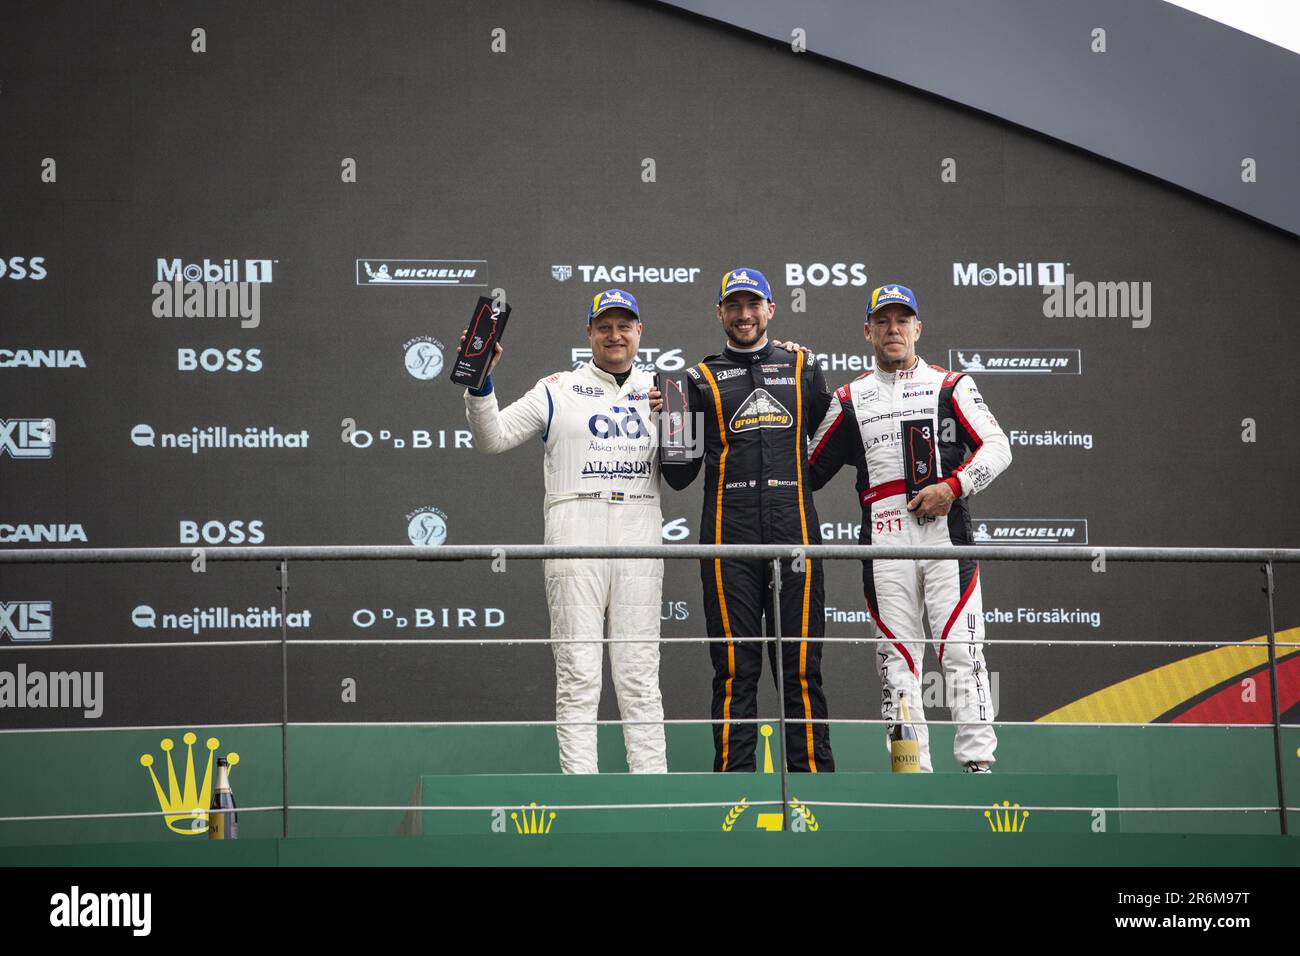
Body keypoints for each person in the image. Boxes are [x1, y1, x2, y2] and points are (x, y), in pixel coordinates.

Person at [807, 284, 1011, 772]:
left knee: (961, 649)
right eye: (883, 321)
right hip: (883, 540)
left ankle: (977, 766)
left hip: (946, 537)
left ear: (918, 328)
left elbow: (998, 447)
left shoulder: (951, 385)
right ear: (867, 331)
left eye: (903, 320)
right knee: (896, 659)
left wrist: (954, 487)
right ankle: (911, 771)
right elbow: (807, 470)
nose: (893, 329)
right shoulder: (849, 397)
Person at [462, 289, 667, 774]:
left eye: (624, 325)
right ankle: (582, 794)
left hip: (640, 532)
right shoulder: (557, 387)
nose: (614, 335)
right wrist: (479, 380)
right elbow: (492, 438)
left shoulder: (665, 390)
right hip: (576, 531)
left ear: (640, 332)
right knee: (578, 672)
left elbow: (695, 455)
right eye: (604, 326)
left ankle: (656, 795)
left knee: (640, 676)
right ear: (589, 333)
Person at [656, 268, 835, 773]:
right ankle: (732, 789)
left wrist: (800, 480)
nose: (743, 315)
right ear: (719, 313)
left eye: (753, 304)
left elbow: (829, 447)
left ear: (771, 310)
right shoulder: (695, 379)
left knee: (801, 669)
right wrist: (668, 417)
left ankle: (815, 787)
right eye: (733, 306)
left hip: (795, 534)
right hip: (727, 540)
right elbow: (679, 475)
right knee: (735, 670)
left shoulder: (803, 367)